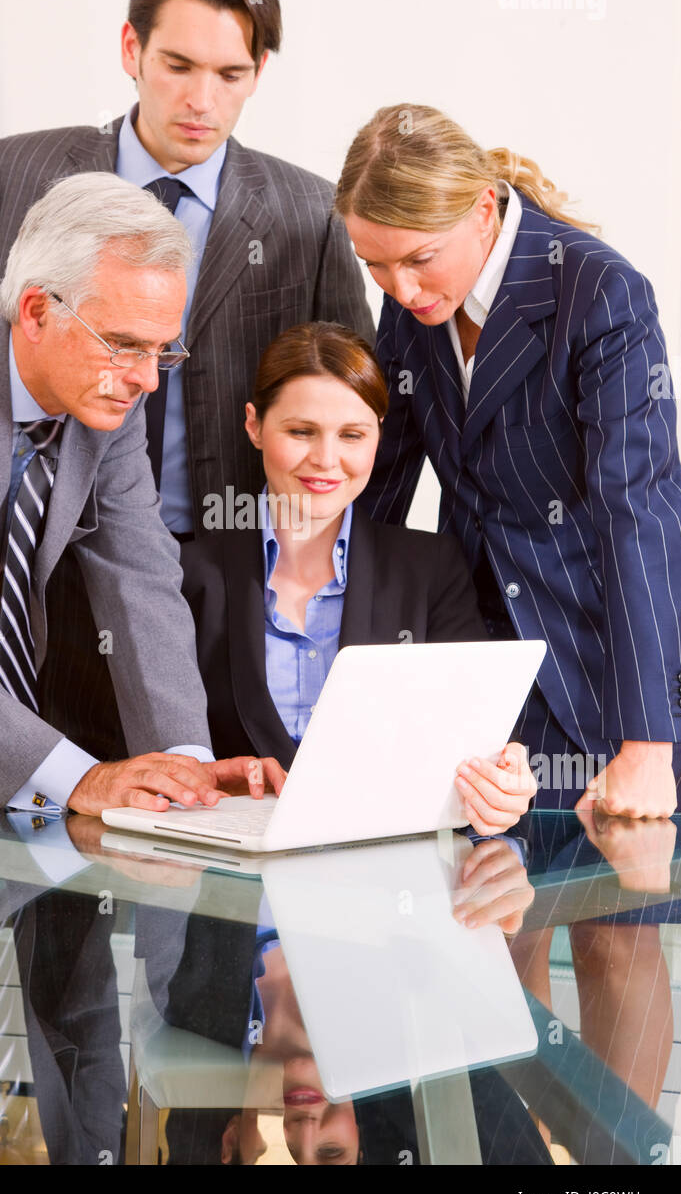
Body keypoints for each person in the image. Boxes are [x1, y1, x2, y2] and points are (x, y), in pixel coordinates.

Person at [0, 0, 372, 758]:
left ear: (259, 73)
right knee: (46, 805)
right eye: (178, 65)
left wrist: (315, 566)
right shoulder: (19, 171)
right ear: (131, 49)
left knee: (191, 811)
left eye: (231, 75)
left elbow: (355, 401)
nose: (202, 100)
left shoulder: (307, 214)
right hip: (35, 560)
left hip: (224, 578)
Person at [0, 172, 282, 815]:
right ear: (38, 310)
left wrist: (185, 769)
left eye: (162, 351)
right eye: (123, 345)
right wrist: (81, 778)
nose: (147, 380)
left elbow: (141, 579)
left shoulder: (106, 397)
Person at [335, 104, 681, 817]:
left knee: (618, 920)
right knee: (487, 910)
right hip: (475, 658)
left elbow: (639, 511)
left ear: (484, 211)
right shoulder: (411, 303)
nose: (399, 290)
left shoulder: (598, 293)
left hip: (607, 656)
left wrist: (649, 745)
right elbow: (378, 492)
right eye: (373, 264)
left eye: (417, 260)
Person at [179, 322, 537, 834]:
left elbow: (475, 740)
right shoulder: (186, 576)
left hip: (382, 884)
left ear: (378, 436)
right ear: (254, 426)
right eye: (301, 431)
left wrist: (503, 780)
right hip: (227, 890)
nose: (326, 460)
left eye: (352, 435)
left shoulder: (430, 569)